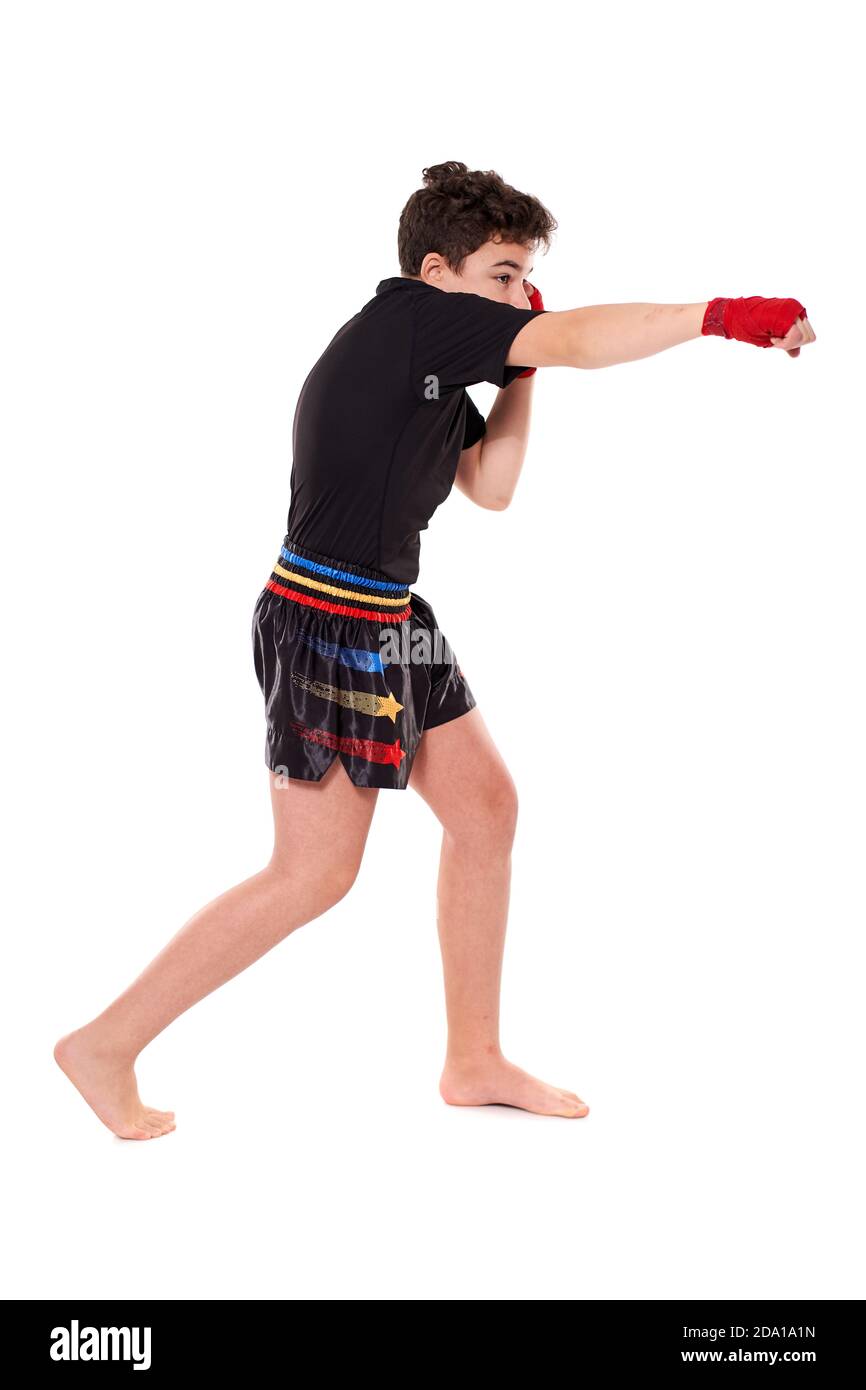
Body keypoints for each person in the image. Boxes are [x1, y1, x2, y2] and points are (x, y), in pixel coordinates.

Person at [54, 161, 815, 1138]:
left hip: (390, 617)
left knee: (486, 809)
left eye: (521, 282)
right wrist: (720, 314)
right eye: (502, 276)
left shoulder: (427, 359)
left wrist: (520, 370)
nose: (517, 297)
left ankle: (472, 1058)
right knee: (313, 874)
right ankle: (105, 1044)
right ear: (435, 268)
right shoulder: (411, 318)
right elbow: (581, 334)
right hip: (328, 622)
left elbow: (491, 486)